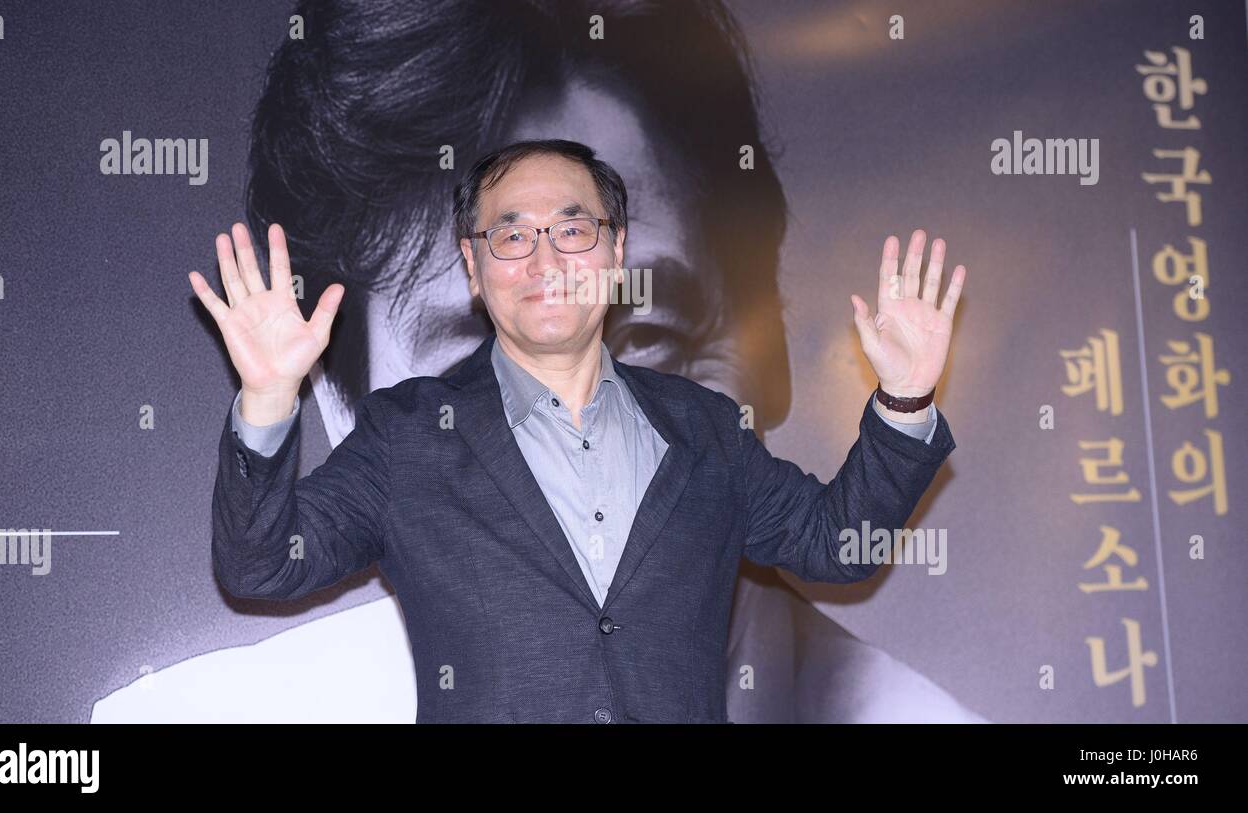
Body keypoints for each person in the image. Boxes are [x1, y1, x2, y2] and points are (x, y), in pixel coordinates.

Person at [186, 137, 964, 722]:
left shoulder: (706, 429)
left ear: (617, 250)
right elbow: (259, 566)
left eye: (574, 228)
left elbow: (834, 545)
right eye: (511, 234)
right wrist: (266, 396)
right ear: (473, 264)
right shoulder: (408, 435)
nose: (545, 258)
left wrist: (903, 399)